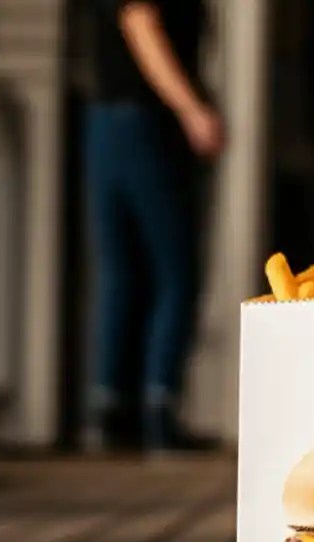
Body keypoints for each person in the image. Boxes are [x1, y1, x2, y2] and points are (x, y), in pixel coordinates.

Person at [83, 0, 221, 452]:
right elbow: (140, 22)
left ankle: (110, 408)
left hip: (107, 120)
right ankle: (158, 409)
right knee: (175, 273)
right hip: (146, 124)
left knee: (121, 273)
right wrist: (191, 108)